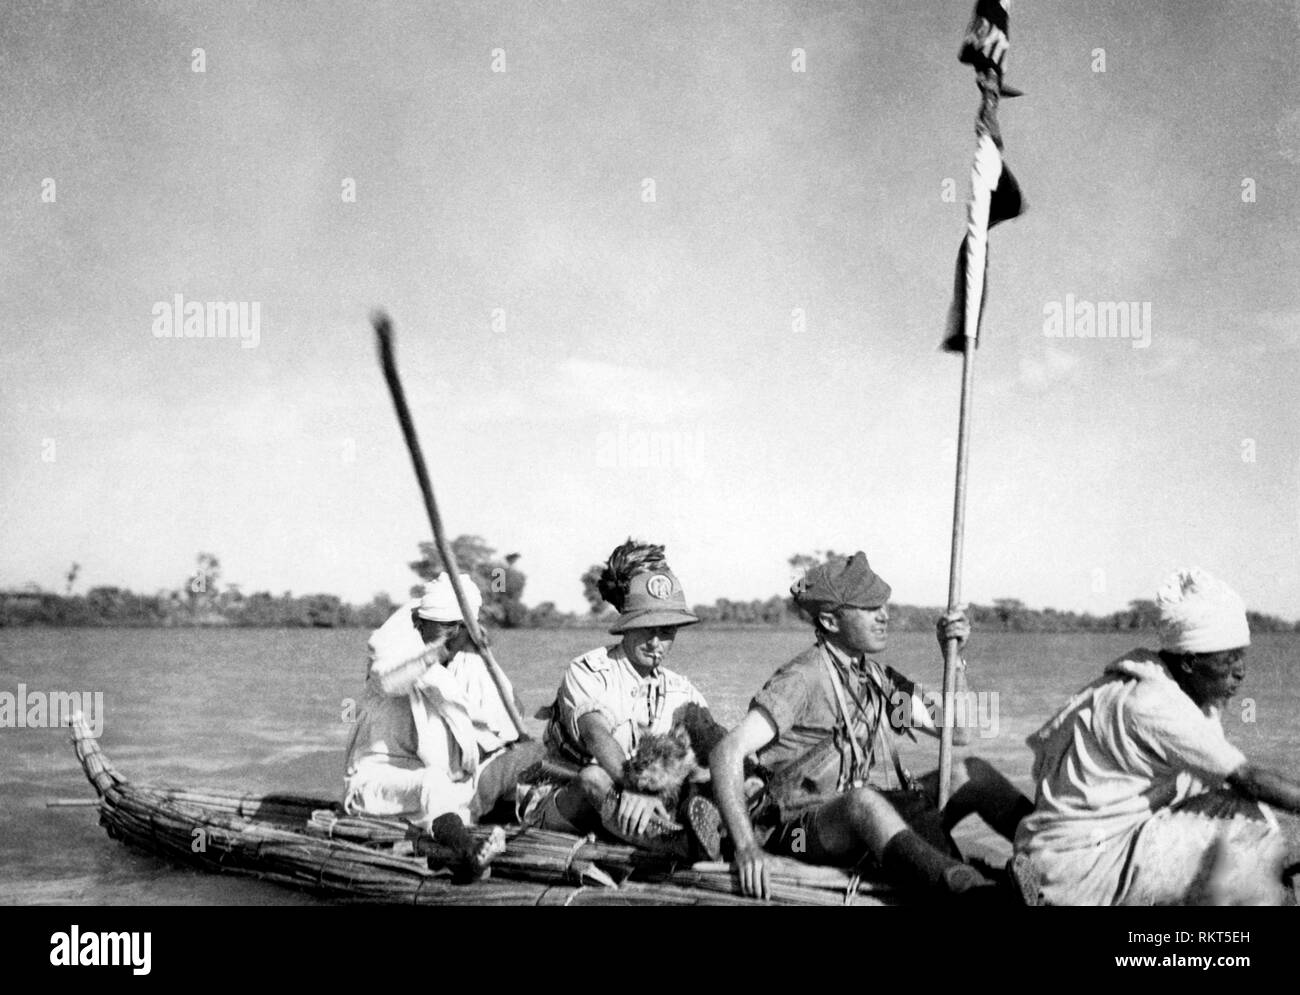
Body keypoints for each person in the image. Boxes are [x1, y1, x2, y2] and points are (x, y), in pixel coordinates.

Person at [710, 552, 1032, 902]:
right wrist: (746, 848)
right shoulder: (803, 678)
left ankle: (1056, 854)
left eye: (883, 605)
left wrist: (954, 659)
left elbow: (959, 731)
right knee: (864, 802)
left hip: (859, 818)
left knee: (972, 774)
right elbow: (726, 750)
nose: (884, 616)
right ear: (831, 622)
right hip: (800, 833)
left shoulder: (877, 680)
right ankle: (974, 894)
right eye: (868, 608)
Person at [1013, 568, 1295, 906]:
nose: (1241, 670)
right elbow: (1249, 779)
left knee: (1232, 810)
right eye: (1229, 658)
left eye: (1242, 654)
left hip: (1062, 845)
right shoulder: (1157, 703)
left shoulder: (1149, 677)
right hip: (1082, 869)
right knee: (1250, 833)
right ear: (1190, 662)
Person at [526, 540, 721, 850]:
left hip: (639, 802)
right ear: (627, 626)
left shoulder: (680, 690)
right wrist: (633, 786)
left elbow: (716, 743)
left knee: (704, 775)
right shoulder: (589, 671)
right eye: (646, 628)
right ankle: (679, 847)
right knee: (594, 777)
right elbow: (596, 734)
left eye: (667, 631)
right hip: (568, 800)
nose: (656, 642)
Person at [343, 572, 543, 871]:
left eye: (456, 627)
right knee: (431, 784)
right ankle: (466, 853)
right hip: (385, 784)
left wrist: (516, 747)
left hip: (454, 780)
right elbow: (388, 679)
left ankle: (518, 825)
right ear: (420, 622)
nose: (448, 635)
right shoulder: (393, 656)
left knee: (534, 755)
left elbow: (507, 715)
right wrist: (439, 651)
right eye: (442, 626)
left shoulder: (469, 662)